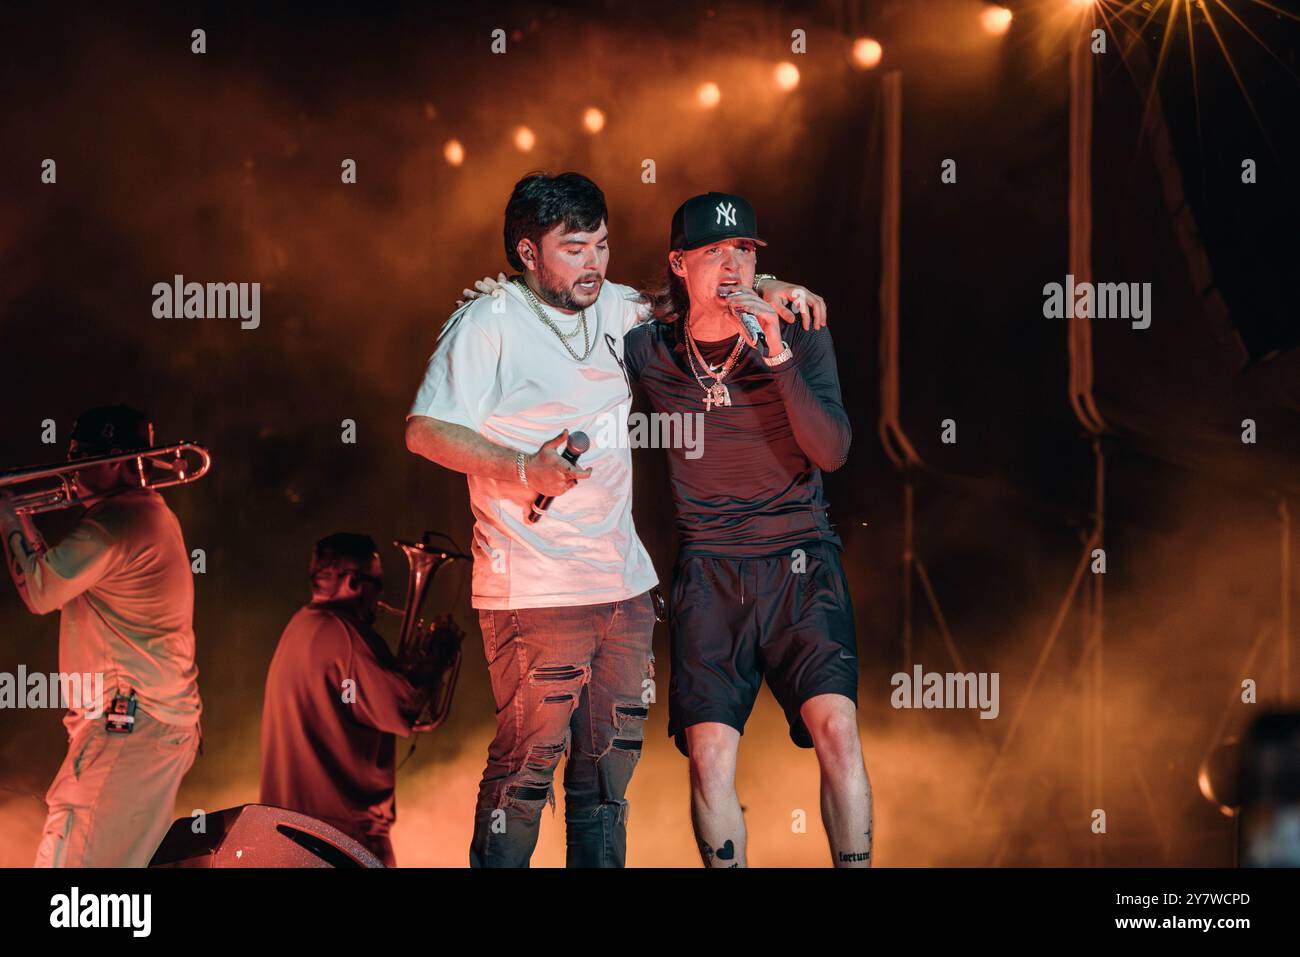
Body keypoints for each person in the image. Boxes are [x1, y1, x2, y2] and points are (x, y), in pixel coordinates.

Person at [410, 171, 812, 867]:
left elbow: (694, 294)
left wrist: (767, 281)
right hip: (534, 593)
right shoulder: (487, 321)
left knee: (606, 789)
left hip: (622, 591)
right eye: (574, 248)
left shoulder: (620, 306)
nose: (594, 263)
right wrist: (523, 466)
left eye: (601, 244)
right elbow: (425, 429)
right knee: (525, 775)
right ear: (529, 253)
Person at [621, 192, 872, 868]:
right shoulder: (650, 346)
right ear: (680, 262)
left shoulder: (799, 327)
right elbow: (580, 302)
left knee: (839, 734)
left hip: (802, 562)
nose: (734, 264)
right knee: (707, 757)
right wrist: (502, 292)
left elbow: (833, 450)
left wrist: (780, 356)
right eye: (715, 252)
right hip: (710, 571)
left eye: (746, 251)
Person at [0, 405, 202, 867]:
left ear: (112, 461)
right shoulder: (140, 514)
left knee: (74, 867)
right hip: (140, 722)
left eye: (79, 459)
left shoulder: (123, 520)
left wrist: (9, 516)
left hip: (130, 721)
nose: (69, 472)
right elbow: (52, 578)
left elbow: (39, 590)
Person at [259, 532, 429, 867]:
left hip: (288, 833)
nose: (380, 597)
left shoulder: (300, 626)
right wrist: (434, 662)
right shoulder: (346, 635)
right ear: (353, 582)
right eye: (376, 584)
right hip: (342, 838)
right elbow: (401, 709)